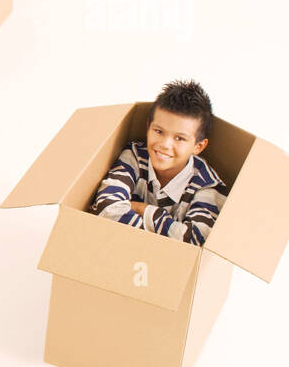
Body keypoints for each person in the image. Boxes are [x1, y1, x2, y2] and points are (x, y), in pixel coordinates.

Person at [89, 80, 228, 246]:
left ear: (198, 146)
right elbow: (106, 207)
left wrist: (147, 211)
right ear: (148, 127)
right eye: (159, 131)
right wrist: (169, 232)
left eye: (180, 138)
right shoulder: (134, 156)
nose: (165, 144)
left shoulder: (208, 185)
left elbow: (195, 241)